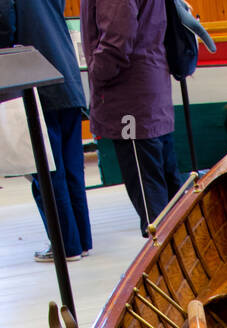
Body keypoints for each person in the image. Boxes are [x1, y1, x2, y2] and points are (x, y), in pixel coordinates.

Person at [0, 0, 93, 262]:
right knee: (72, 171)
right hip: (67, 77)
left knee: (48, 172)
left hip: (37, 86)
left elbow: (5, 25)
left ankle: (66, 246)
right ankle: (82, 241)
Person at [79, 0, 182, 236]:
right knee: (168, 194)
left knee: (152, 209)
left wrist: (97, 71)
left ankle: (165, 266)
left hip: (129, 99)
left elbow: (118, 37)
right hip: (149, 94)